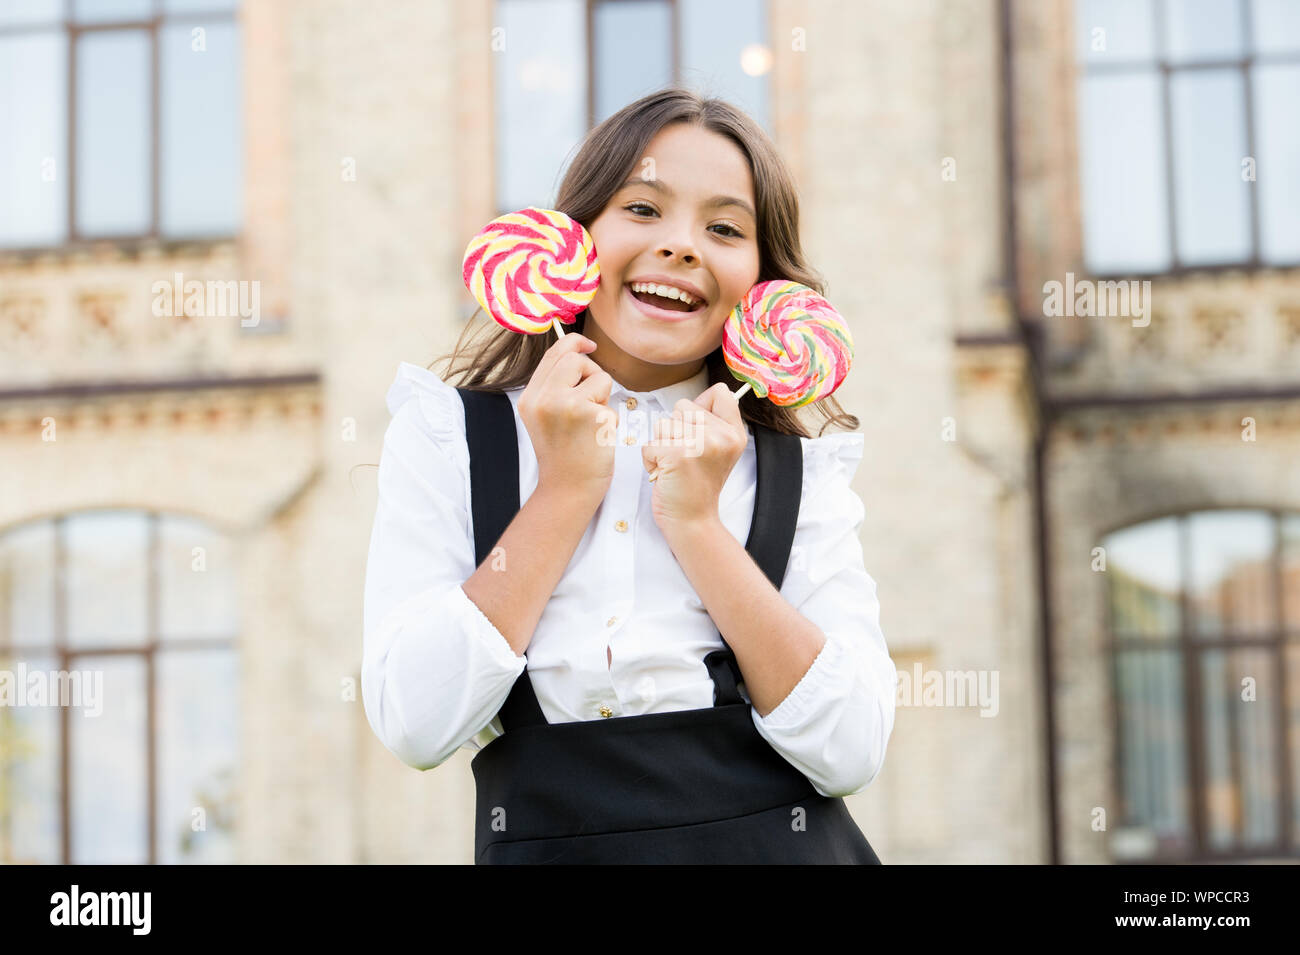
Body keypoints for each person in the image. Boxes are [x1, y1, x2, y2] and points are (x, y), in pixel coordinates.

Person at [362, 87, 897, 864]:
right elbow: (415, 722)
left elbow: (852, 749)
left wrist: (700, 528)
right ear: (572, 240)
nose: (682, 245)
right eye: (643, 209)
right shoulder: (450, 436)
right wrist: (565, 491)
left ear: (759, 280)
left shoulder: (795, 475)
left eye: (723, 227)